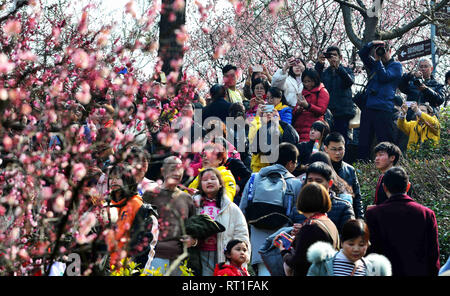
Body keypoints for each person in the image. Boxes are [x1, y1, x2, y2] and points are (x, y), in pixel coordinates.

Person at [239, 142, 303, 276]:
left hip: (258, 245)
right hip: (282, 244)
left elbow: (243, 209)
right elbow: (297, 215)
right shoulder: (296, 184)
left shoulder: (254, 178)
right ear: (290, 163)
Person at [365, 166, 440, 276]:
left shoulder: (374, 214)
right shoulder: (426, 214)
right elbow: (433, 255)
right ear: (408, 186)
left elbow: (371, 252)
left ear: (384, 187)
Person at [191, 167, 250, 276]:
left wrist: (241, 257)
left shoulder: (231, 208)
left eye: (213, 178)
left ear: (220, 183)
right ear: (200, 185)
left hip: (223, 255)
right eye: (205, 180)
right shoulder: (193, 206)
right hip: (200, 254)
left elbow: (241, 234)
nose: (209, 181)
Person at [142, 156, 196, 275]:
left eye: (180, 169)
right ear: (163, 171)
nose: (177, 173)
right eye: (172, 169)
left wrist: (193, 240)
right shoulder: (150, 195)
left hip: (179, 258)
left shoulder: (187, 198)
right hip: (155, 256)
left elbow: (192, 227)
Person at [276, 182, 340, 276]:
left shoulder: (310, 227)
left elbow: (298, 263)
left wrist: (284, 252)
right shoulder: (328, 222)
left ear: (302, 200)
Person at [105, 164, 158, 270]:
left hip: (126, 267)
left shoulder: (137, 204)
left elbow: (145, 243)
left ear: (128, 179)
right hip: (104, 267)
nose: (113, 181)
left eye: (118, 177)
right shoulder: (106, 204)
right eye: (111, 178)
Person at [357, 40, 403, 161]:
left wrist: (377, 61)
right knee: (364, 140)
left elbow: (384, 77)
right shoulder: (375, 64)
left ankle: (388, 165)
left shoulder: (396, 66)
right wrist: (371, 44)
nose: (382, 54)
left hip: (383, 108)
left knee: (384, 140)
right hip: (369, 106)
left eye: (384, 51)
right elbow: (362, 54)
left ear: (390, 51)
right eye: (379, 51)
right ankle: (363, 167)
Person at [307, 219, 392, 276]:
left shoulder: (374, 269)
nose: (356, 249)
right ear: (342, 243)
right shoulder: (323, 264)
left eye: (361, 245)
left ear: (367, 244)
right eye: (351, 244)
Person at [299, 161, 355, 232]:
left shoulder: (344, 208)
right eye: (310, 180)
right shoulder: (299, 209)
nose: (313, 184)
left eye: (318, 181)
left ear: (330, 183)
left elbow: (349, 238)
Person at [315, 46, 355, 144]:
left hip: (343, 112)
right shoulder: (325, 73)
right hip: (328, 112)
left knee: (341, 140)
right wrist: (319, 64)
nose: (332, 58)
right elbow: (315, 83)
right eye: (330, 56)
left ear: (340, 57)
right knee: (326, 140)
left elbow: (349, 82)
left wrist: (338, 68)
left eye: (335, 55)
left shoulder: (346, 70)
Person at [323, 132, 364, 219]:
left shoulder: (350, 170)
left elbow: (357, 198)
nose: (337, 153)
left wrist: (360, 219)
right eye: (334, 149)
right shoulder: (320, 169)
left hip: (347, 217)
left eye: (340, 149)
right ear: (326, 148)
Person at [248, 104, 299, 172]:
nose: (269, 114)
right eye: (265, 112)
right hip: (259, 167)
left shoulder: (280, 126)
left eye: (271, 112)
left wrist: (277, 120)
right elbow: (252, 138)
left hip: (276, 166)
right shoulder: (257, 125)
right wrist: (257, 117)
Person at [292, 68, 330, 142]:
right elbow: (295, 111)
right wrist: (298, 110)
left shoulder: (322, 91)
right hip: (299, 128)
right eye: (305, 82)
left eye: (309, 81)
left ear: (315, 80)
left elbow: (321, 110)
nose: (307, 84)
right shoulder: (302, 93)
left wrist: (308, 106)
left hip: (314, 128)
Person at [369, 142, 403, 206]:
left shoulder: (398, 177)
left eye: (381, 155)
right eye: (376, 155)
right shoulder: (382, 177)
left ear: (392, 158)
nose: (376, 158)